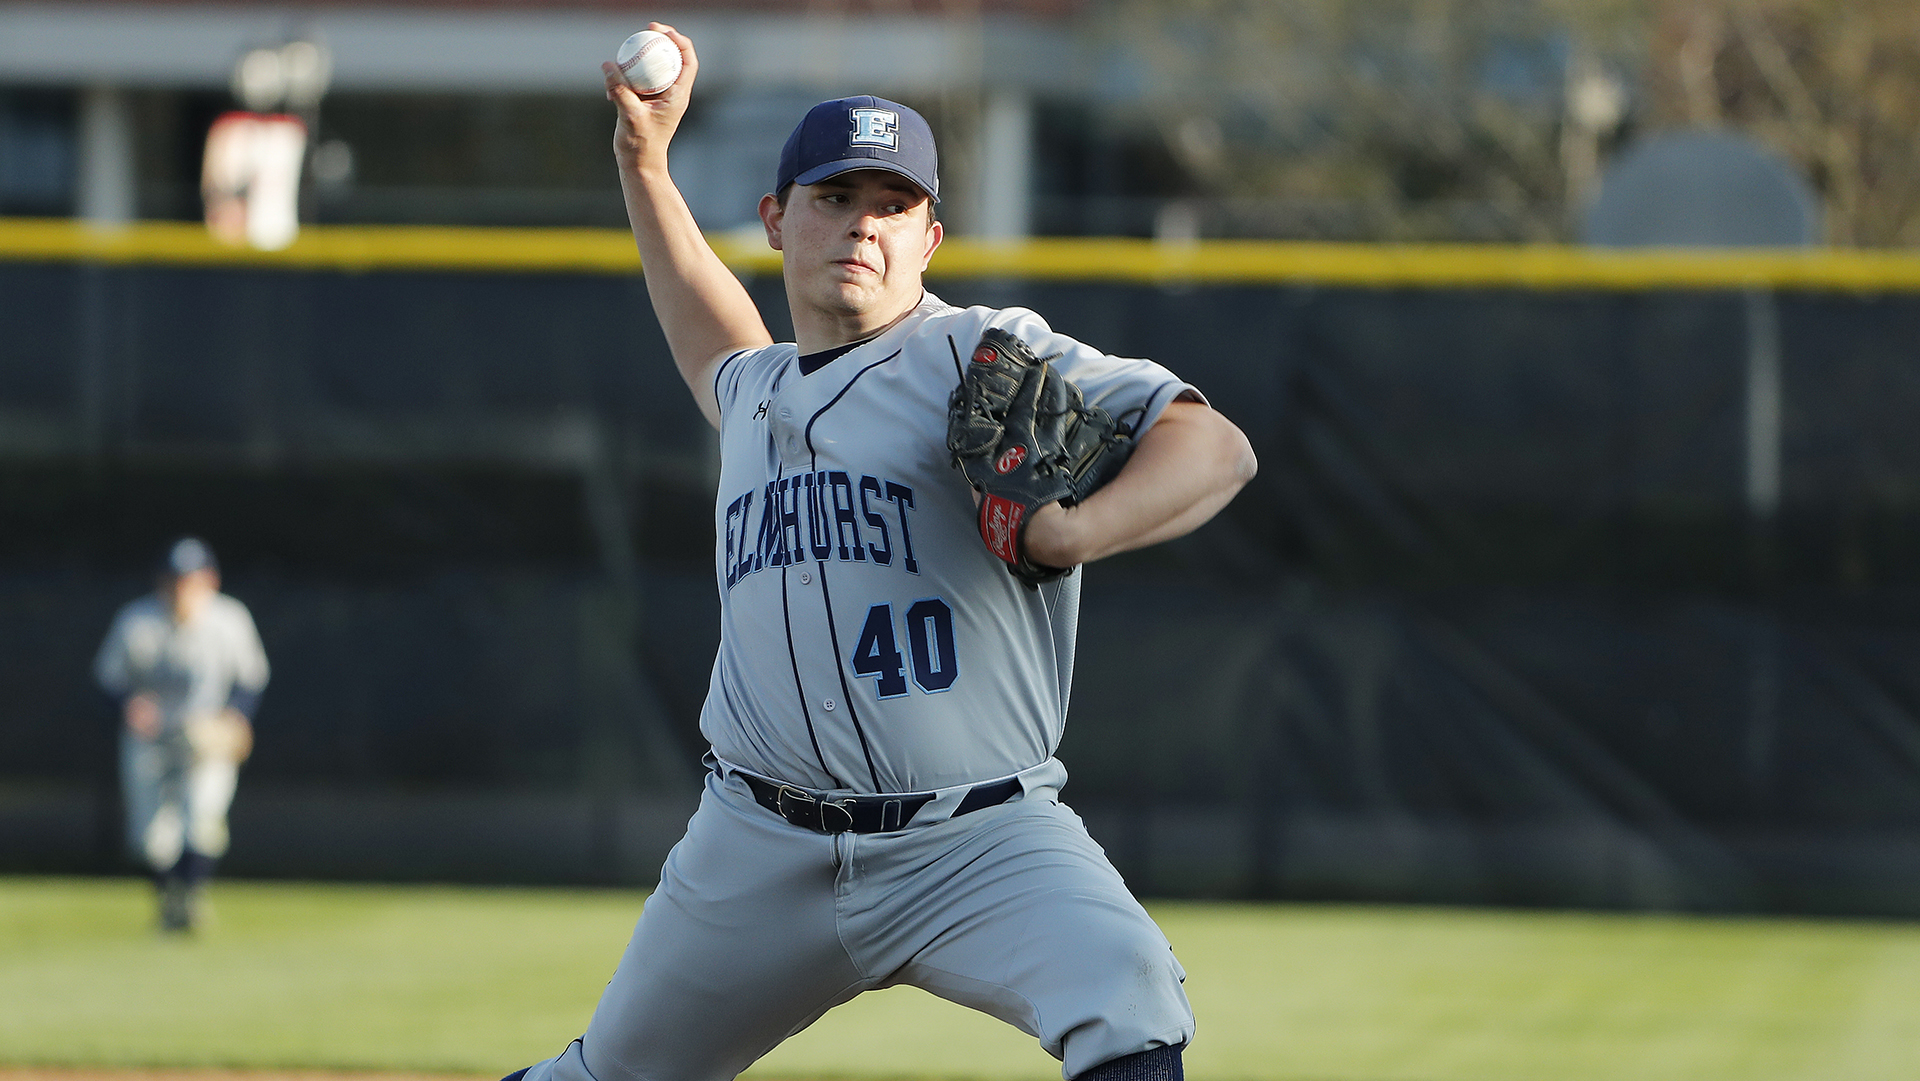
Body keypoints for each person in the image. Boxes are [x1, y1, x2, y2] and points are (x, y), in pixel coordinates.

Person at [506, 23, 1256, 1081]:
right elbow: (713, 331)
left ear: (929, 239)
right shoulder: (757, 390)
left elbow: (1215, 446)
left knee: (1125, 999)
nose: (864, 226)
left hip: (980, 839)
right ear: (778, 220)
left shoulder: (976, 353)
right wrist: (644, 164)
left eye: (893, 205)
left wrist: (1072, 529)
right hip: (755, 845)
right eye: (835, 198)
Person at [94, 537, 270, 933]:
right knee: (150, 833)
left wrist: (238, 717)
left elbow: (251, 678)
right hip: (151, 738)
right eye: (174, 578)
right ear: (161, 580)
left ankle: (190, 897)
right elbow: (109, 678)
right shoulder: (136, 619)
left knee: (202, 817)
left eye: (190, 578)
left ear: (210, 579)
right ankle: (166, 901)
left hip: (207, 737)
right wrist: (129, 705)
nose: (181, 587)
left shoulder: (229, 619)